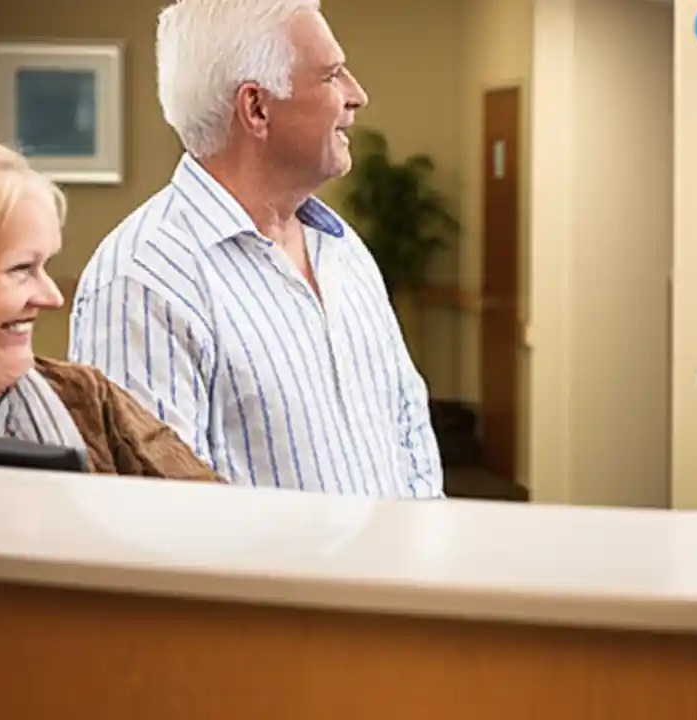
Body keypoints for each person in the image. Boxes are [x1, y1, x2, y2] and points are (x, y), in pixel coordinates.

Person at [68, 0, 443, 498]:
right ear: (257, 108)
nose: (357, 95)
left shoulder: (342, 248)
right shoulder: (141, 279)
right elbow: (155, 514)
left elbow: (409, 426)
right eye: (331, 76)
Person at [0, 134, 221, 482]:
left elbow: (211, 506)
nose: (52, 297)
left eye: (45, 266)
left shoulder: (89, 401)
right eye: (21, 269)